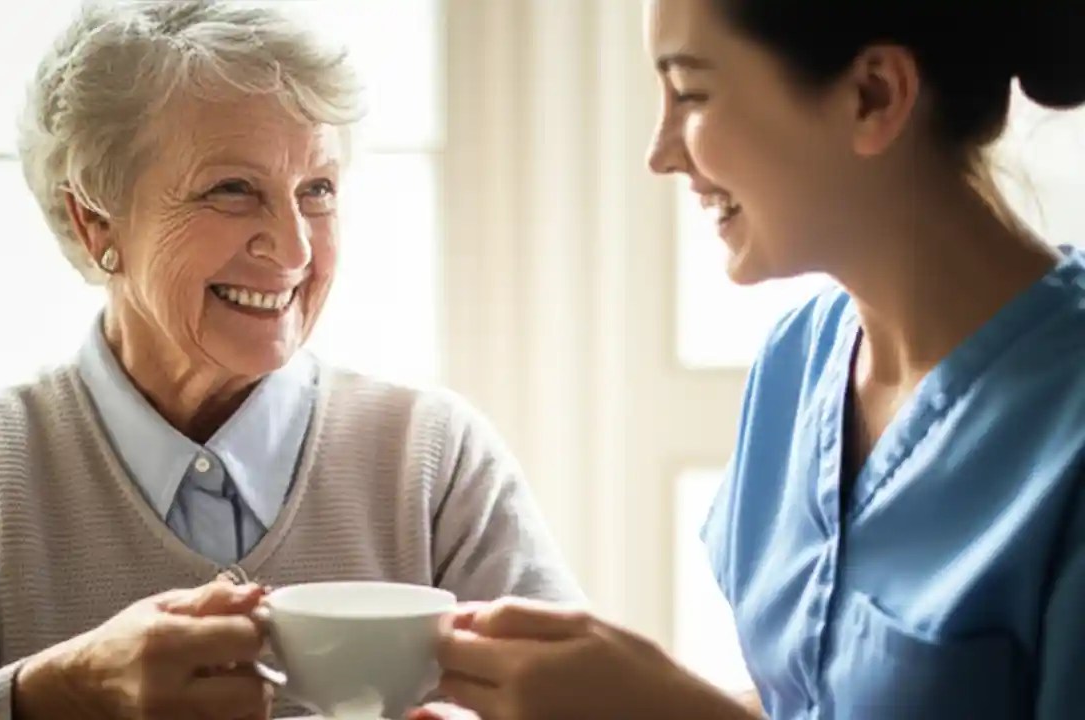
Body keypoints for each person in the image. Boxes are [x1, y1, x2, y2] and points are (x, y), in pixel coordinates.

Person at [0, 2, 582, 719]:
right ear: (94, 217)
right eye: (233, 189)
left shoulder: (435, 460)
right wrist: (61, 693)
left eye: (316, 189)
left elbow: (582, 702)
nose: (294, 247)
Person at [419, 0, 1085, 718]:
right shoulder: (796, 364)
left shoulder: (1067, 431)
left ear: (874, 96)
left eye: (691, 94)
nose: (661, 152)